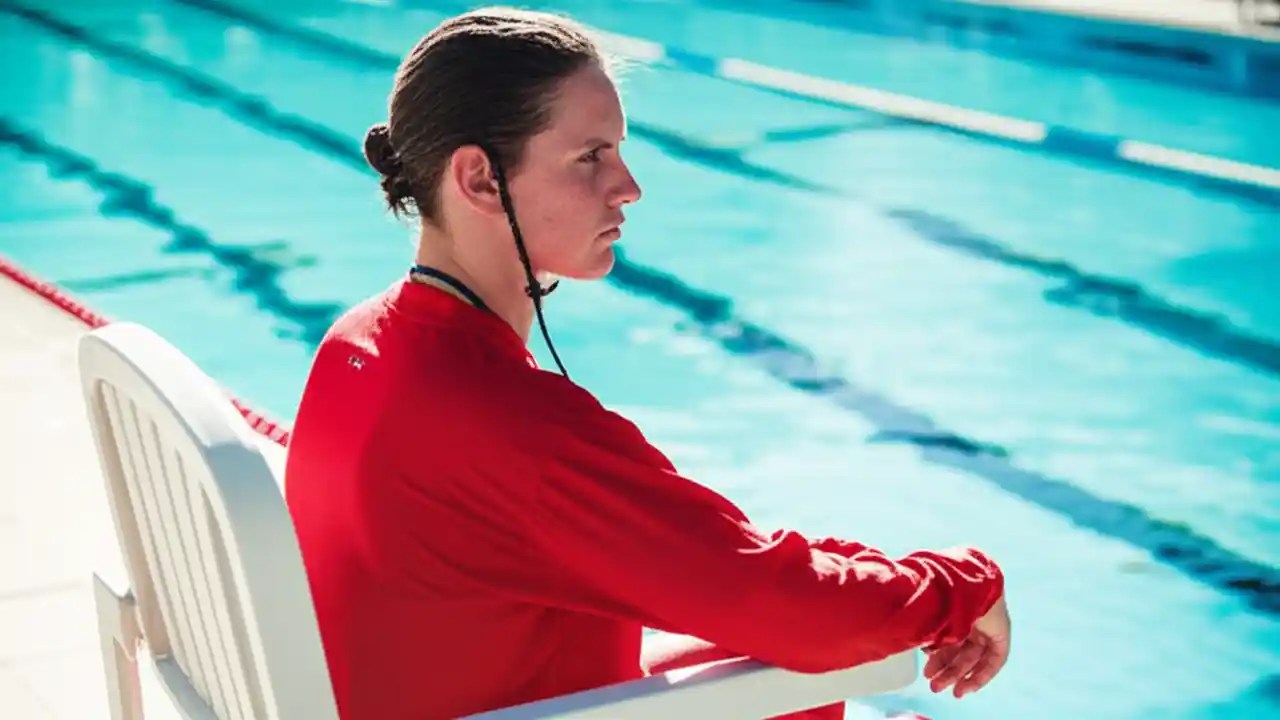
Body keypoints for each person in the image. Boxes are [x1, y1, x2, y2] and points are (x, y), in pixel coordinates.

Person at [283, 7, 1011, 720]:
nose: (628, 186)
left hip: (483, 692)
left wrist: (890, 582)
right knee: (817, 664)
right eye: (590, 157)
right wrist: (963, 586)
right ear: (479, 180)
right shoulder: (508, 422)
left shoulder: (358, 343)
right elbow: (784, 607)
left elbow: (729, 567)